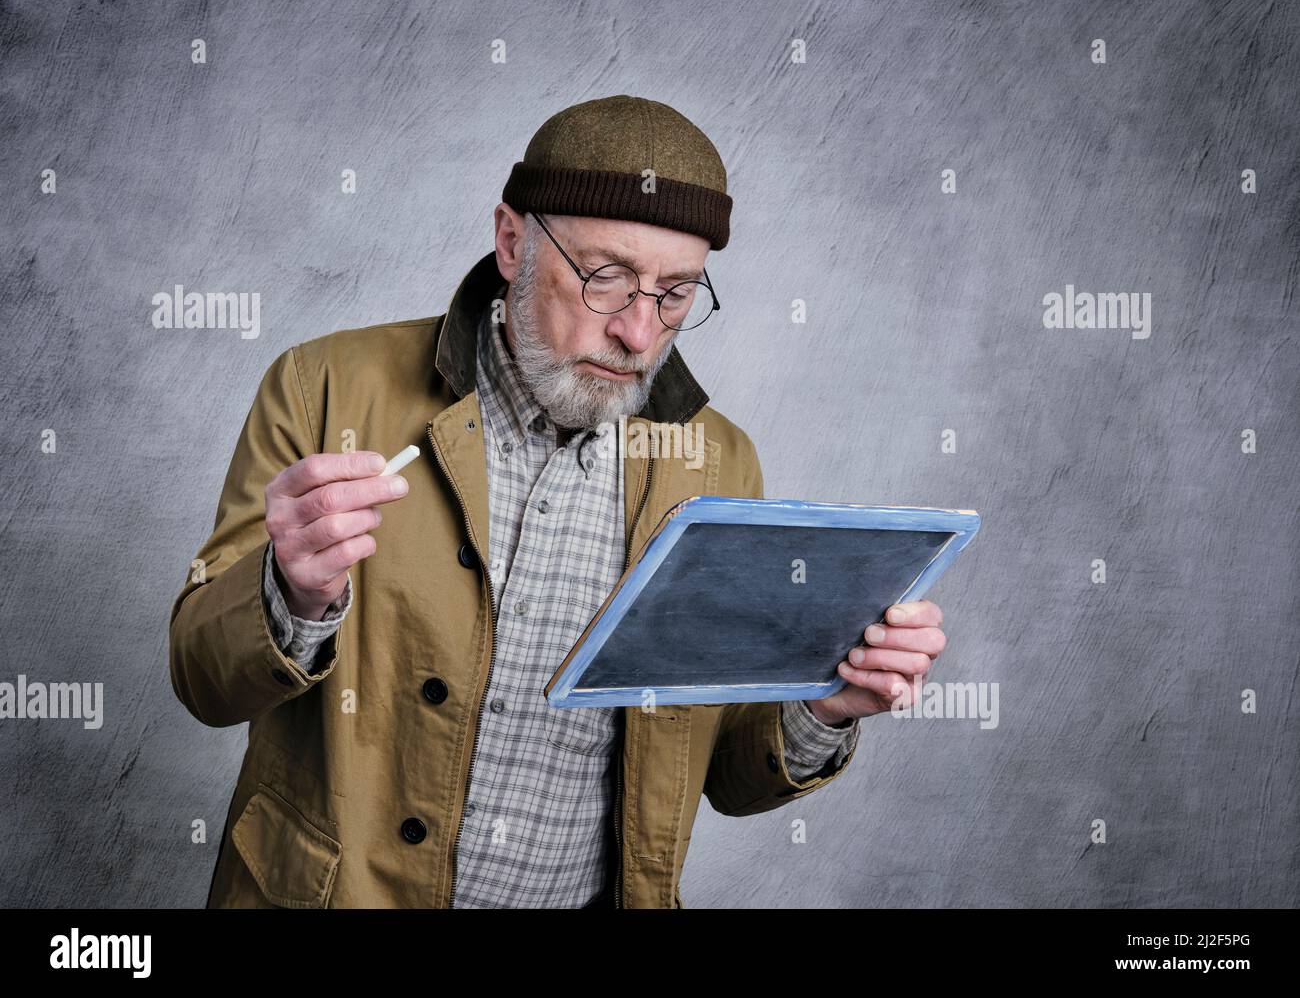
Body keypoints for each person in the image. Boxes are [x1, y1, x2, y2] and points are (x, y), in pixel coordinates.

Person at [169, 94, 946, 909]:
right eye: (606, 279)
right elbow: (201, 678)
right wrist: (287, 593)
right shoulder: (325, 388)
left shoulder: (720, 464)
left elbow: (719, 774)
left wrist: (823, 706)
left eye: (676, 294)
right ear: (512, 241)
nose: (640, 335)